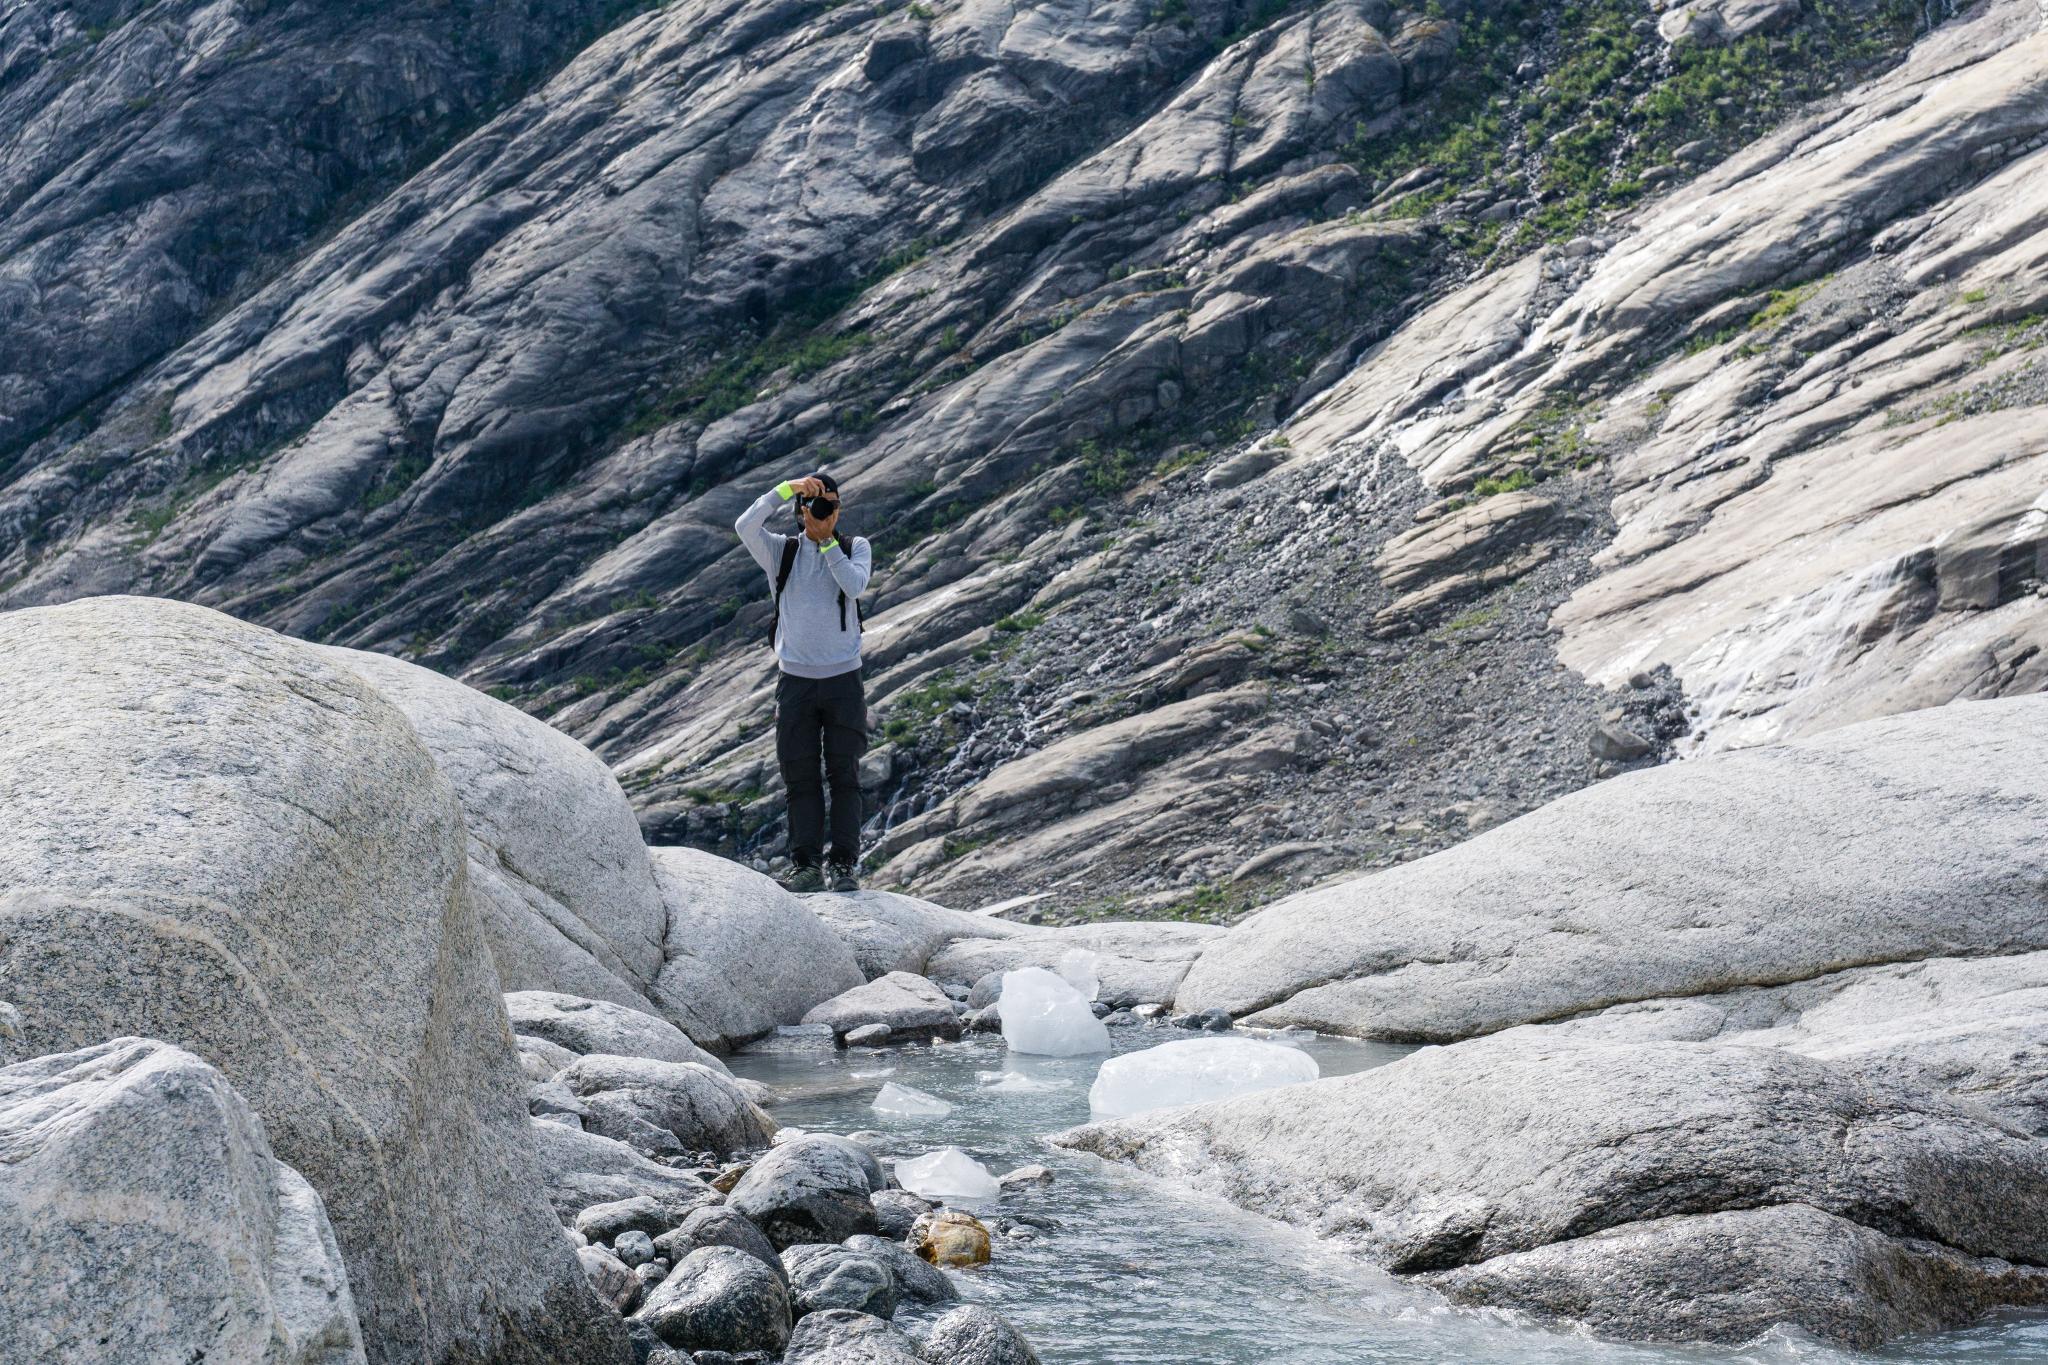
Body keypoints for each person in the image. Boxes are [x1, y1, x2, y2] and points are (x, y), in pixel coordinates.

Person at [733, 472, 873, 893]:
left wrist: (827, 541)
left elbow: (854, 585)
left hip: (843, 681)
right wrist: (788, 488)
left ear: (839, 510)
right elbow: (744, 526)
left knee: (844, 775)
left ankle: (844, 865)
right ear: (797, 512)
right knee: (800, 776)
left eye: (828, 504)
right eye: (812, 505)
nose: (819, 511)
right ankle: (807, 866)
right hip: (795, 682)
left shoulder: (854, 548)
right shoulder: (781, 552)